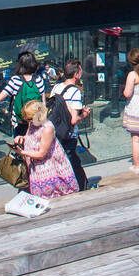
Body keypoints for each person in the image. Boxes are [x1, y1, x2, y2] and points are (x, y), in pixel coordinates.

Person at [0, 48, 54, 137]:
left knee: (20, 145)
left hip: (20, 122)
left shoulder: (15, 80)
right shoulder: (38, 79)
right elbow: (43, 102)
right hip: (36, 121)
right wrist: (41, 120)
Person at [16, 101, 80, 199]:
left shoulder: (47, 128)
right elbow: (29, 136)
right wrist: (21, 138)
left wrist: (23, 152)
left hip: (46, 166)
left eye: (29, 119)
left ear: (38, 116)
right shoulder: (33, 123)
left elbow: (42, 154)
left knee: (49, 195)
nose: (28, 121)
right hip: (34, 166)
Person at [50, 58, 89, 191]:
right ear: (76, 74)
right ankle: (81, 187)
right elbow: (74, 120)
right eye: (80, 72)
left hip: (55, 131)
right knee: (73, 162)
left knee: (59, 163)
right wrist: (84, 114)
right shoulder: (75, 92)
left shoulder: (56, 87)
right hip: (68, 133)